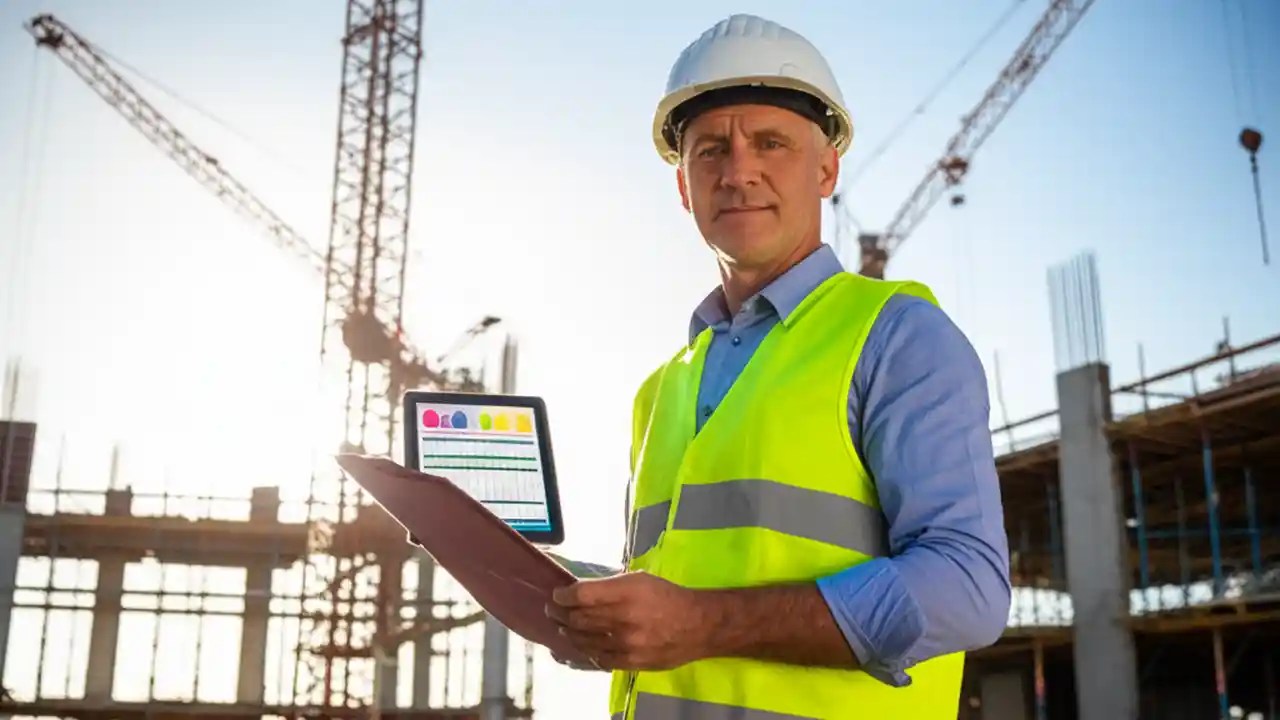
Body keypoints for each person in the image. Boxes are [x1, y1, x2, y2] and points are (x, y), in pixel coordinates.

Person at [545, 13, 1010, 719]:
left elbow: (968, 589)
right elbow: (680, 589)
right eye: (709, 151)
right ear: (682, 187)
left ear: (827, 169)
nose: (738, 171)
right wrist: (592, 607)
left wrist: (701, 624)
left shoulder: (898, 338)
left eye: (770, 143)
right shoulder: (662, 388)